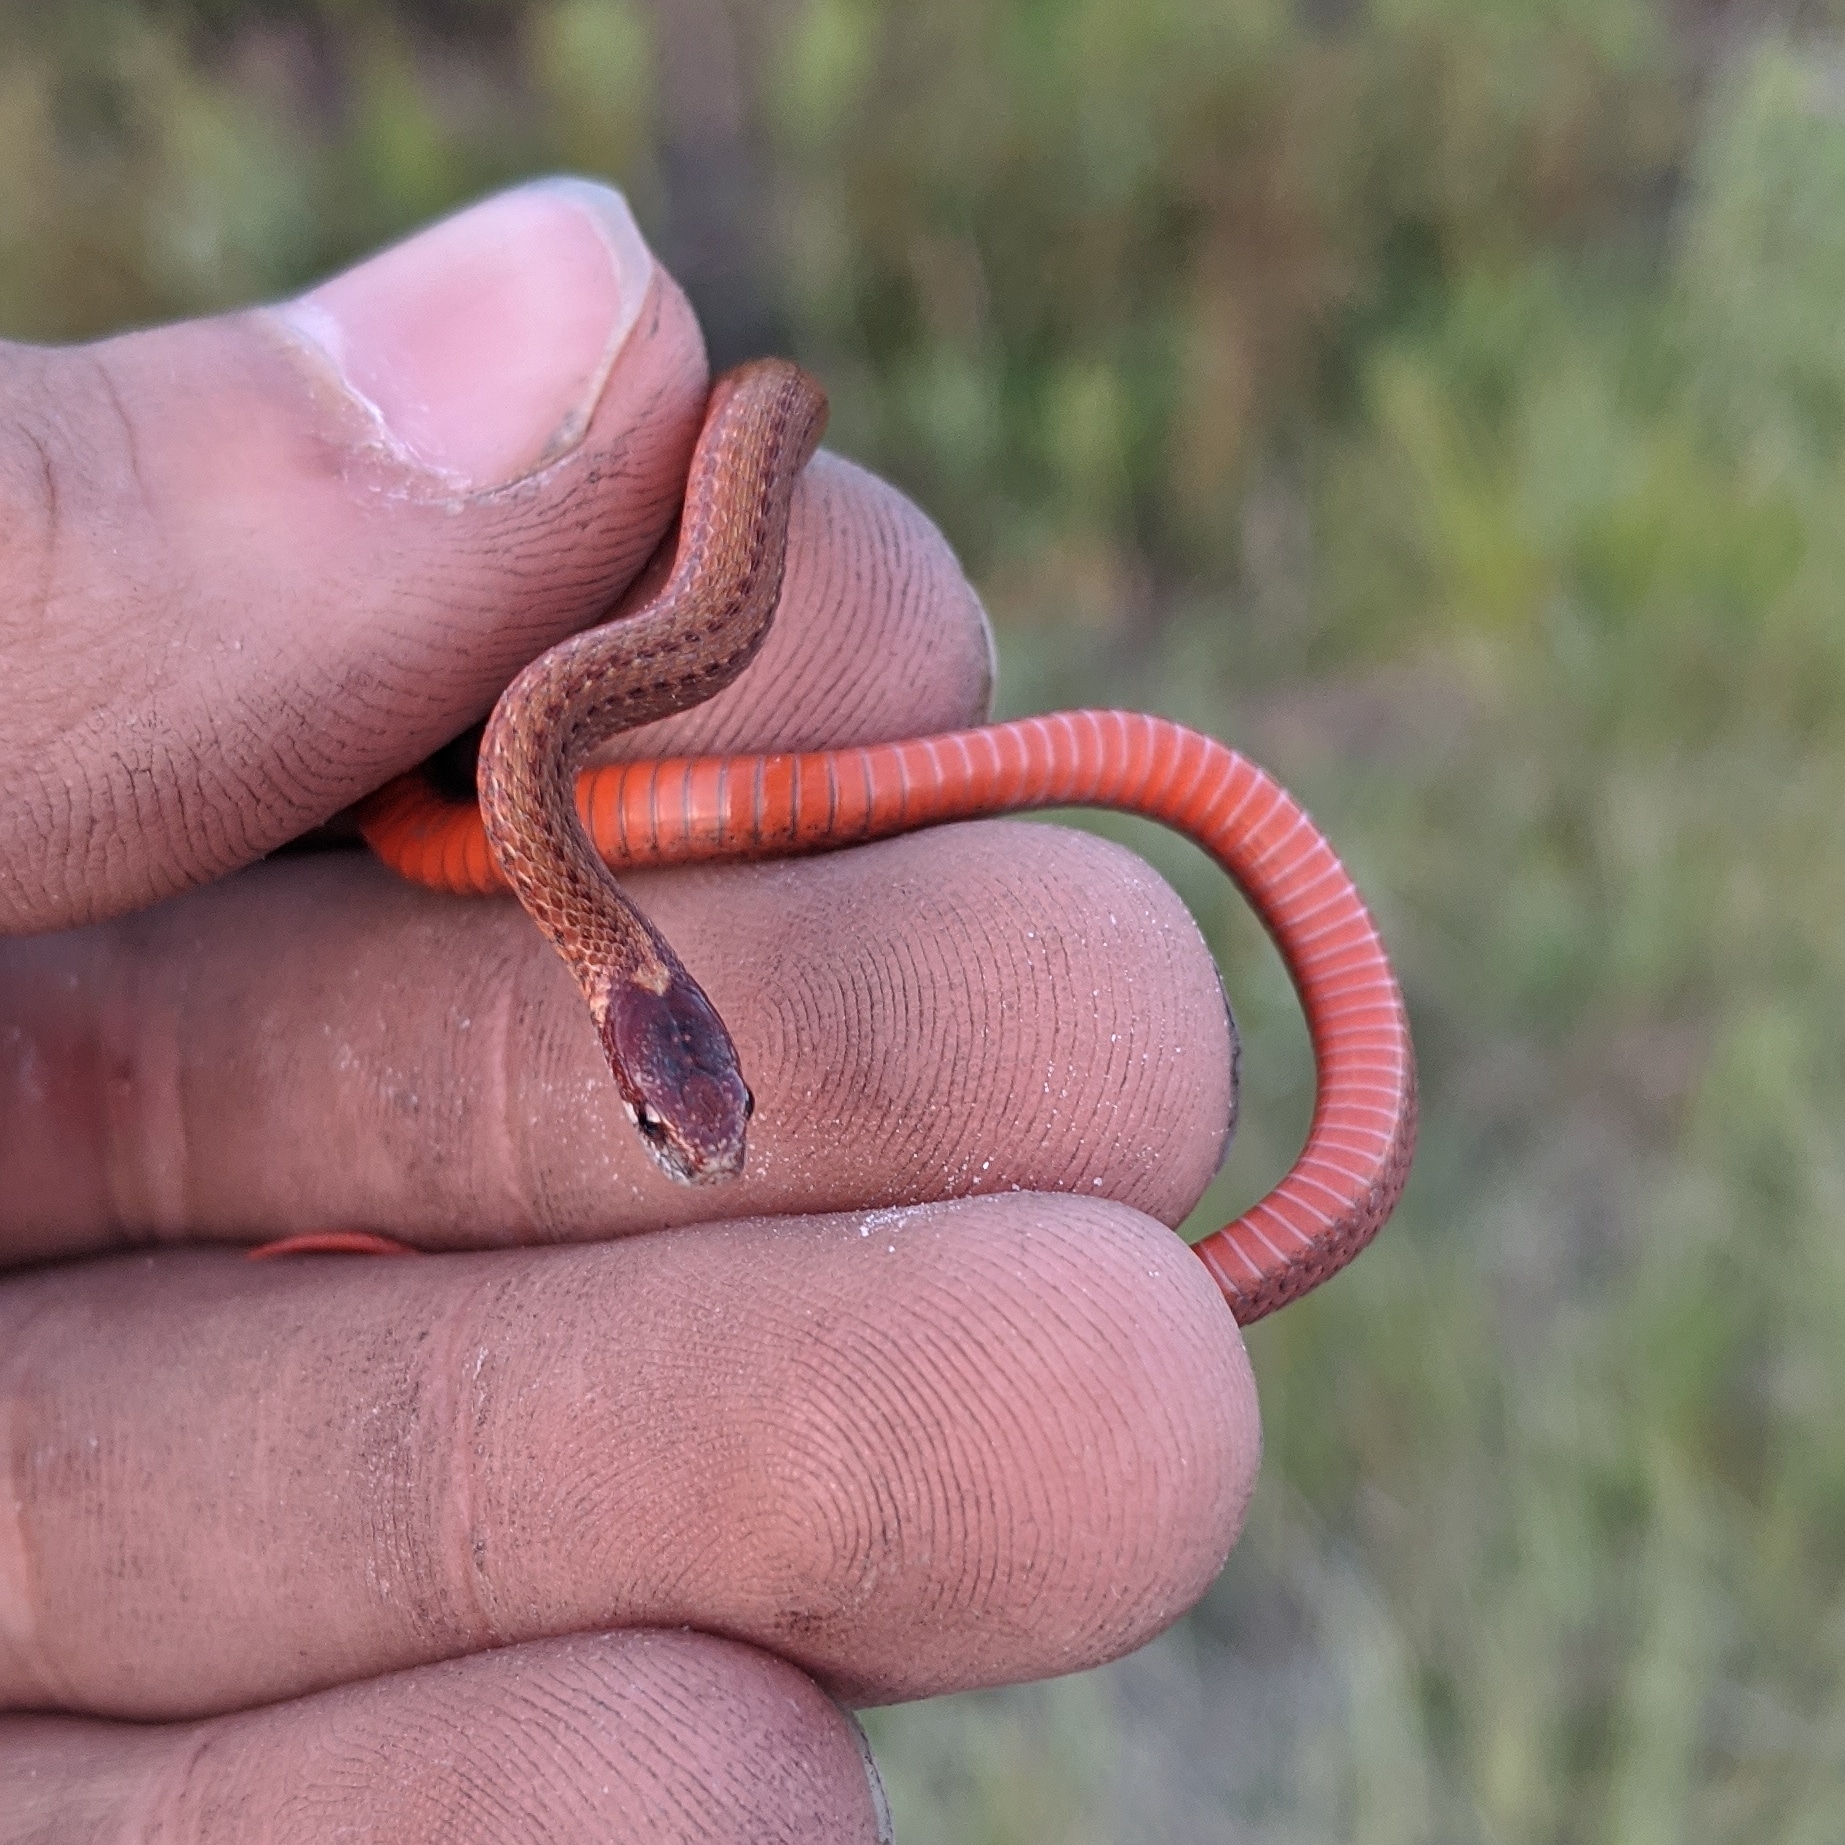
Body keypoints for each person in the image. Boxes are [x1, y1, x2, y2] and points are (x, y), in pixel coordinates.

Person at [0, 181, 1256, 1840]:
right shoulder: (531, 801)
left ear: (654, 1029)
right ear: (639, 1038)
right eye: (682, 1125)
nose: (696, 1143)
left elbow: (768, 423)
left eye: (686, 1122)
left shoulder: (549, 813)